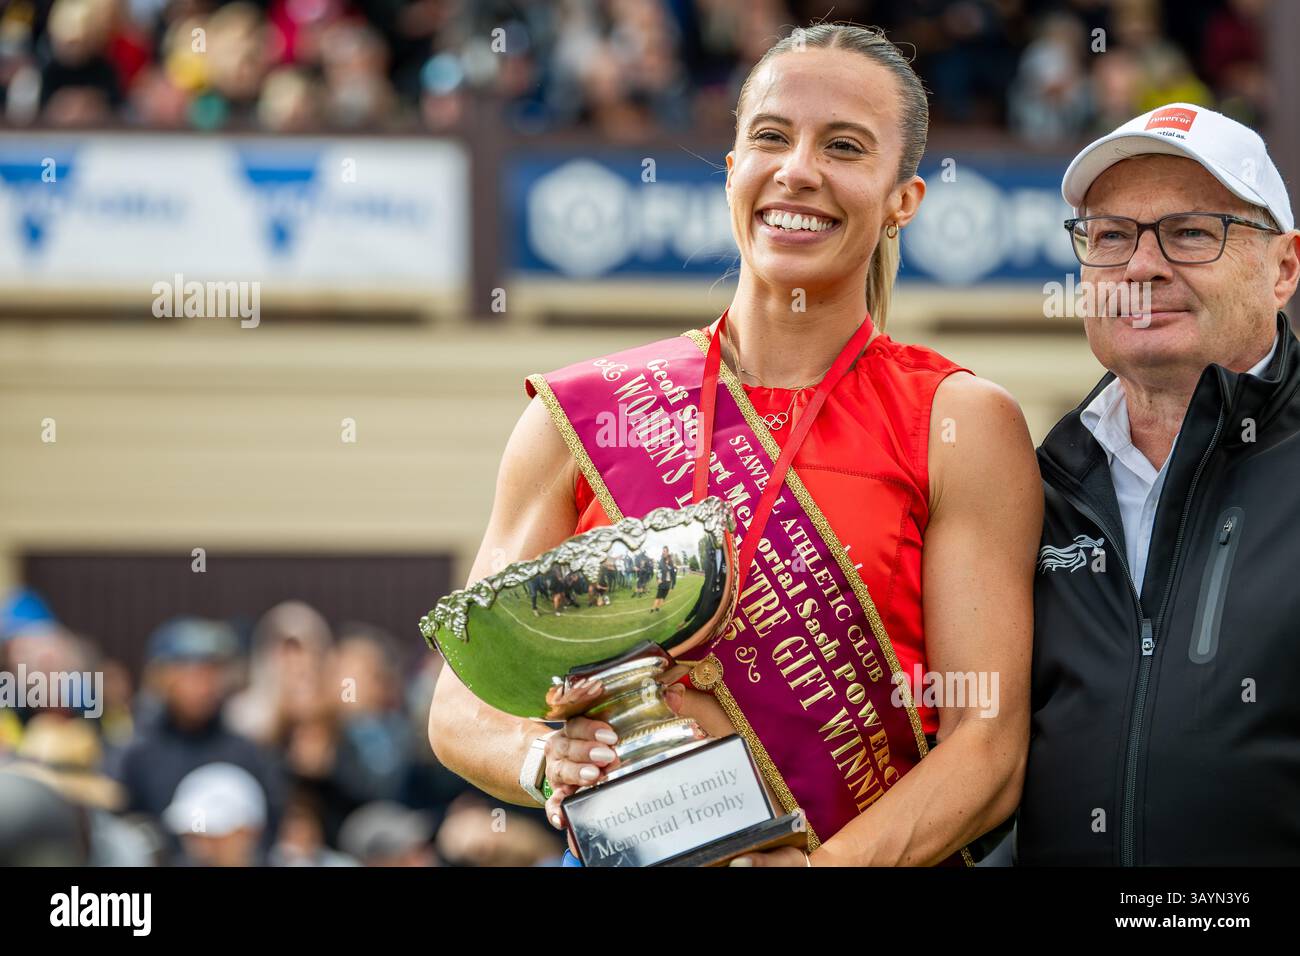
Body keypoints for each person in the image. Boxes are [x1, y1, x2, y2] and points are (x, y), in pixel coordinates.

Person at [428, 22, 1041, 867]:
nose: (798, 170)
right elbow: (460, 706)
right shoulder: (579, 414)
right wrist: (538, 760)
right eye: (771, 137)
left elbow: (990, 748)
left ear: (905, 199)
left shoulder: (960, 422)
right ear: (731, 171)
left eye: (846, 146)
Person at [1019, 103, 1300, 865]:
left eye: (1190, 231)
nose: (1141, 267)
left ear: (1283, 267)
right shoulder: (1034, 486)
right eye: (1110, 236)